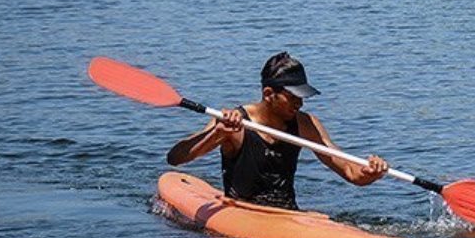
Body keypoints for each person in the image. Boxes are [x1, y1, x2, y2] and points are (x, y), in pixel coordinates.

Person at [166, 52, 387, 210]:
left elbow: (350, 172)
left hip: (286, 213)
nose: (299, 104)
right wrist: (217, 135)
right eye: (292, 97)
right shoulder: (235, 123)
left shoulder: (305, 124)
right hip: (243, 213)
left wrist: (370, 173)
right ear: (269, 93)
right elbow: (175, 158)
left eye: (301, 97)